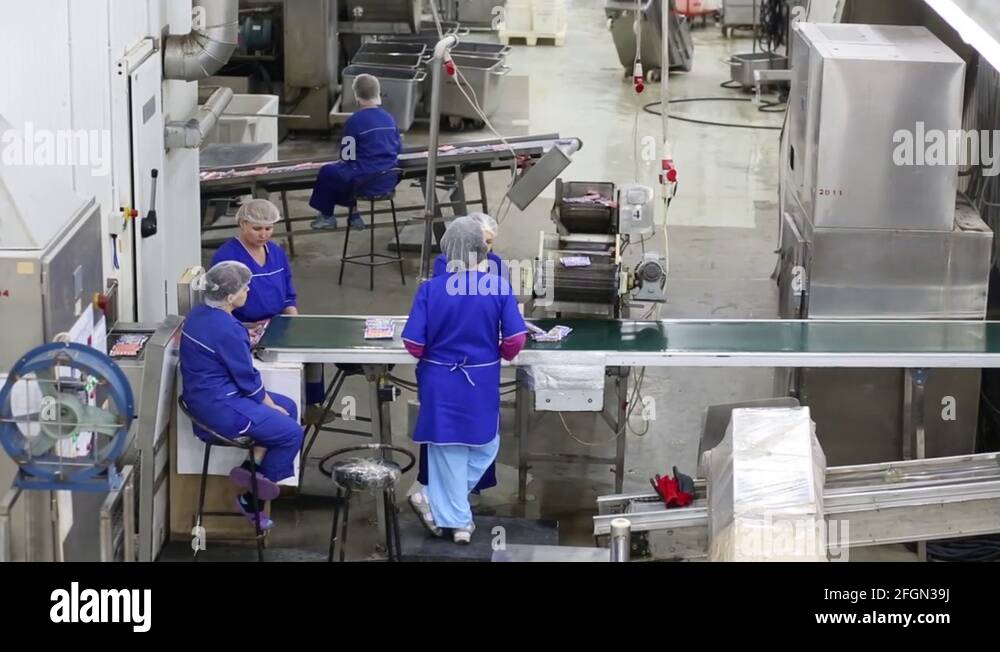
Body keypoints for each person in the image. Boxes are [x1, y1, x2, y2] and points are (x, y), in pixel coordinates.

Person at [402, 216, 528, 544]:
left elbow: (414, 344)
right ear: (481, 249)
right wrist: (493, 350)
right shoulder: (498, 286)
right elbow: (515, 340)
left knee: (448, 447)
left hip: (439, 380)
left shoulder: (430, 289)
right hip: (481, 379)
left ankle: (436, 499)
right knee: (485, 442)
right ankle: (459, 522)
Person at [180, 261, 304, 529]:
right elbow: (248, 379)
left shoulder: (198, 315)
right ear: (229, 297)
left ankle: (253, 470)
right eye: (245, 288)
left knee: (291, 407)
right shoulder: (228, 329)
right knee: (292, 432)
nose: (248, 291)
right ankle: (252, 499)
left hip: (205, 398)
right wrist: (270, 406)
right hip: (220, 409)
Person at [419, 212, 509, 502]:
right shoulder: (446, 264)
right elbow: (447, 305)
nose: (487, 248)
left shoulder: (496, 265)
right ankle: (440, 494)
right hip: (451, 357)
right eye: (482, 241)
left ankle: (459, 493)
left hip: (479, 355)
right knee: (444, 430)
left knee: (482, 431)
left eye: (490, 242)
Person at [210, 199, 325, 410]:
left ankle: (312, 404)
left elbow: (288, 291)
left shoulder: (276, 252)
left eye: (268, 228)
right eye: (257, 229)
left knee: (314, 352)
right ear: (242, 223)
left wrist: (296, 323)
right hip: (245, 328)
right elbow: (221, 303)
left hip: (277, 323)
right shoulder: (228, 257)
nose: (264, 234)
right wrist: (244, 330)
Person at [310, 74, 402, 230]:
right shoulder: (389, 119)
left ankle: (327, 216)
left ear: (356, 96)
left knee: (329, 172)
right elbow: (398, 148)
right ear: (378, 93)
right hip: (389, 180)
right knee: (350, 172)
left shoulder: (355, 121)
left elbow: (347, 156)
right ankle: (354, 215)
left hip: (365, 183)